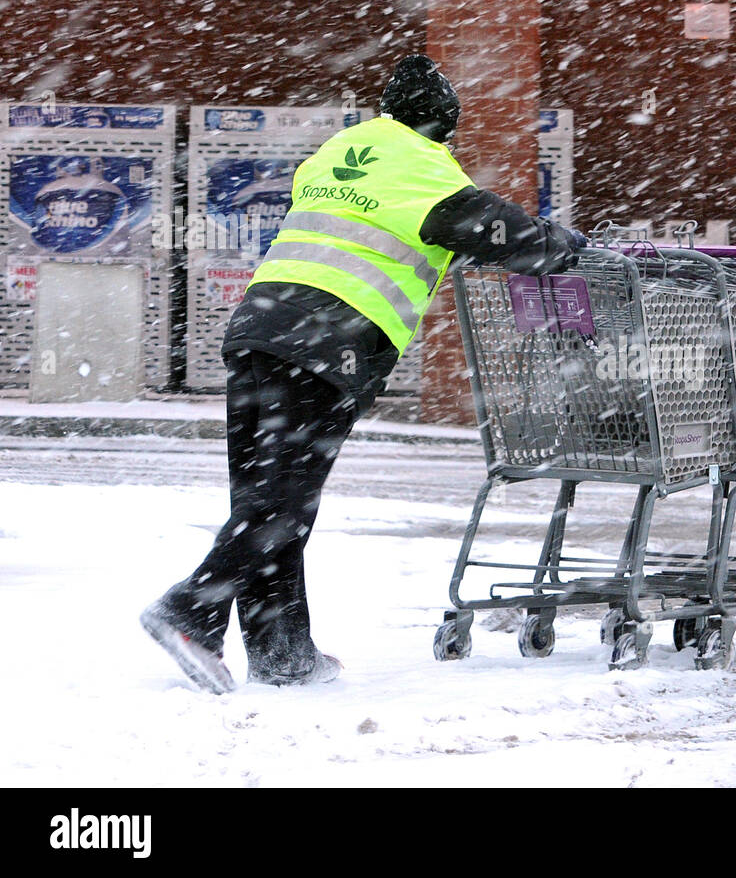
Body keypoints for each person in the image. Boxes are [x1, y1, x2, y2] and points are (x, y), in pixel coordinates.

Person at [141, 56, 587, 693]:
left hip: (261, 329)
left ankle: (283, 652)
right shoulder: (421, 163)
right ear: (443, 123)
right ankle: (192, 608)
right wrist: (564, 244)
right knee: (284, 503)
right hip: (329, 340)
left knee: (269, 499)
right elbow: (494, 229)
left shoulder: (337, 152)